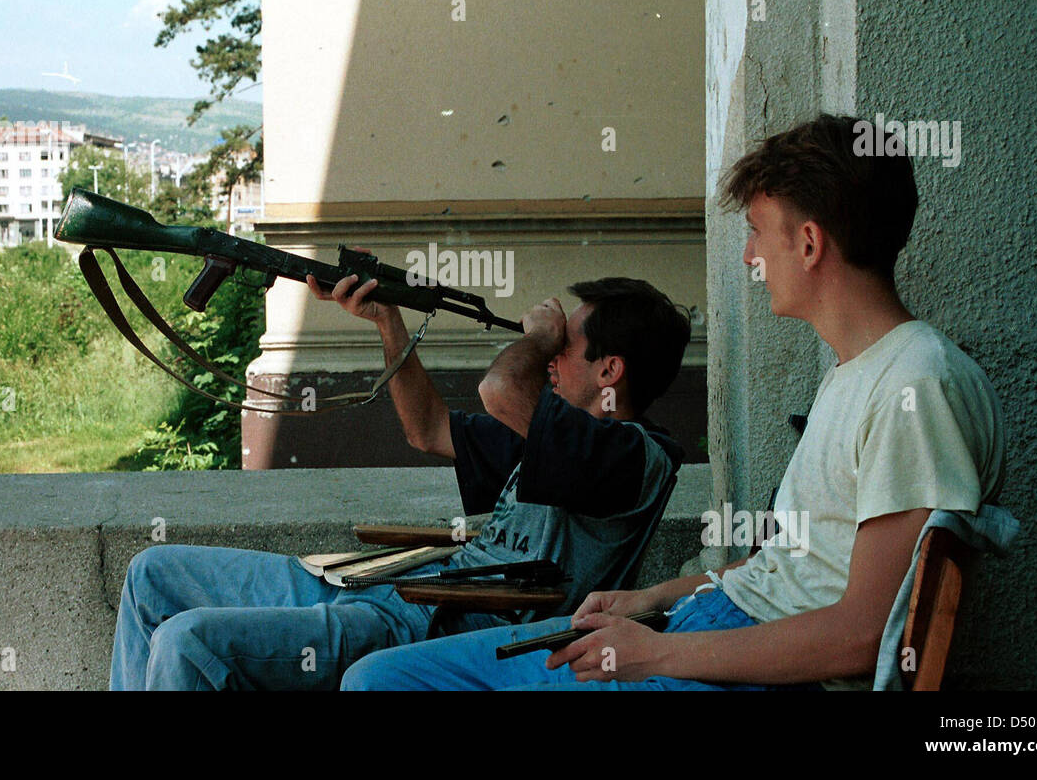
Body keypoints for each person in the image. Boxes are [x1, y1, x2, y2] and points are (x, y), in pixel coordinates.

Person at [342, 113, 1006, 691]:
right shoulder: (858, 375)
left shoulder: (915, 385)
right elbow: (790, 567)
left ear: (808, 243)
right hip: (701, 634)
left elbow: (864, 634)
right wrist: (650, 599)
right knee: (380, 675)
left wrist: (662, 649)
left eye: (756, 230)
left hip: (727, 665)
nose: (749, 254)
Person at [108, 266, 691, 690]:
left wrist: (535, 337)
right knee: (152, 574)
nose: (550, 361)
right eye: (551, 348)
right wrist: (388, 317)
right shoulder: (547, 432)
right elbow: (429, 427)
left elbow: (500, 389)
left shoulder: (633, 458)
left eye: (565, 348)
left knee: (188, 643)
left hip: (428, 622)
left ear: (610, 369)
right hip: (386, 581)